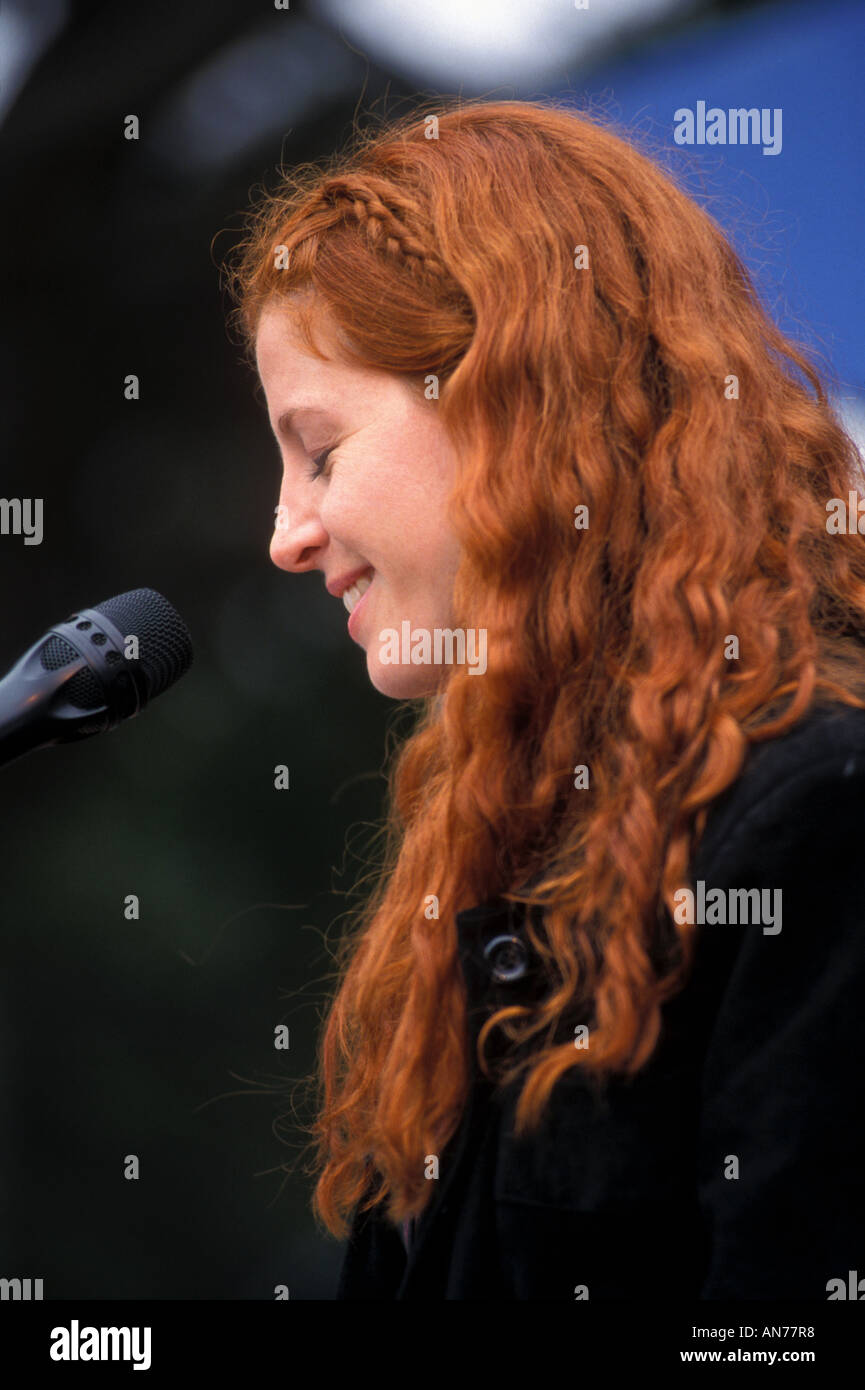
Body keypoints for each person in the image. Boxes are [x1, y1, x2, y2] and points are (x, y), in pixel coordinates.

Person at [225, 98, 865, 1299]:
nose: (287, 535)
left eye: (318, 451)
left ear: (508, 403)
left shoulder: (816, 809)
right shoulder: (515, 830)